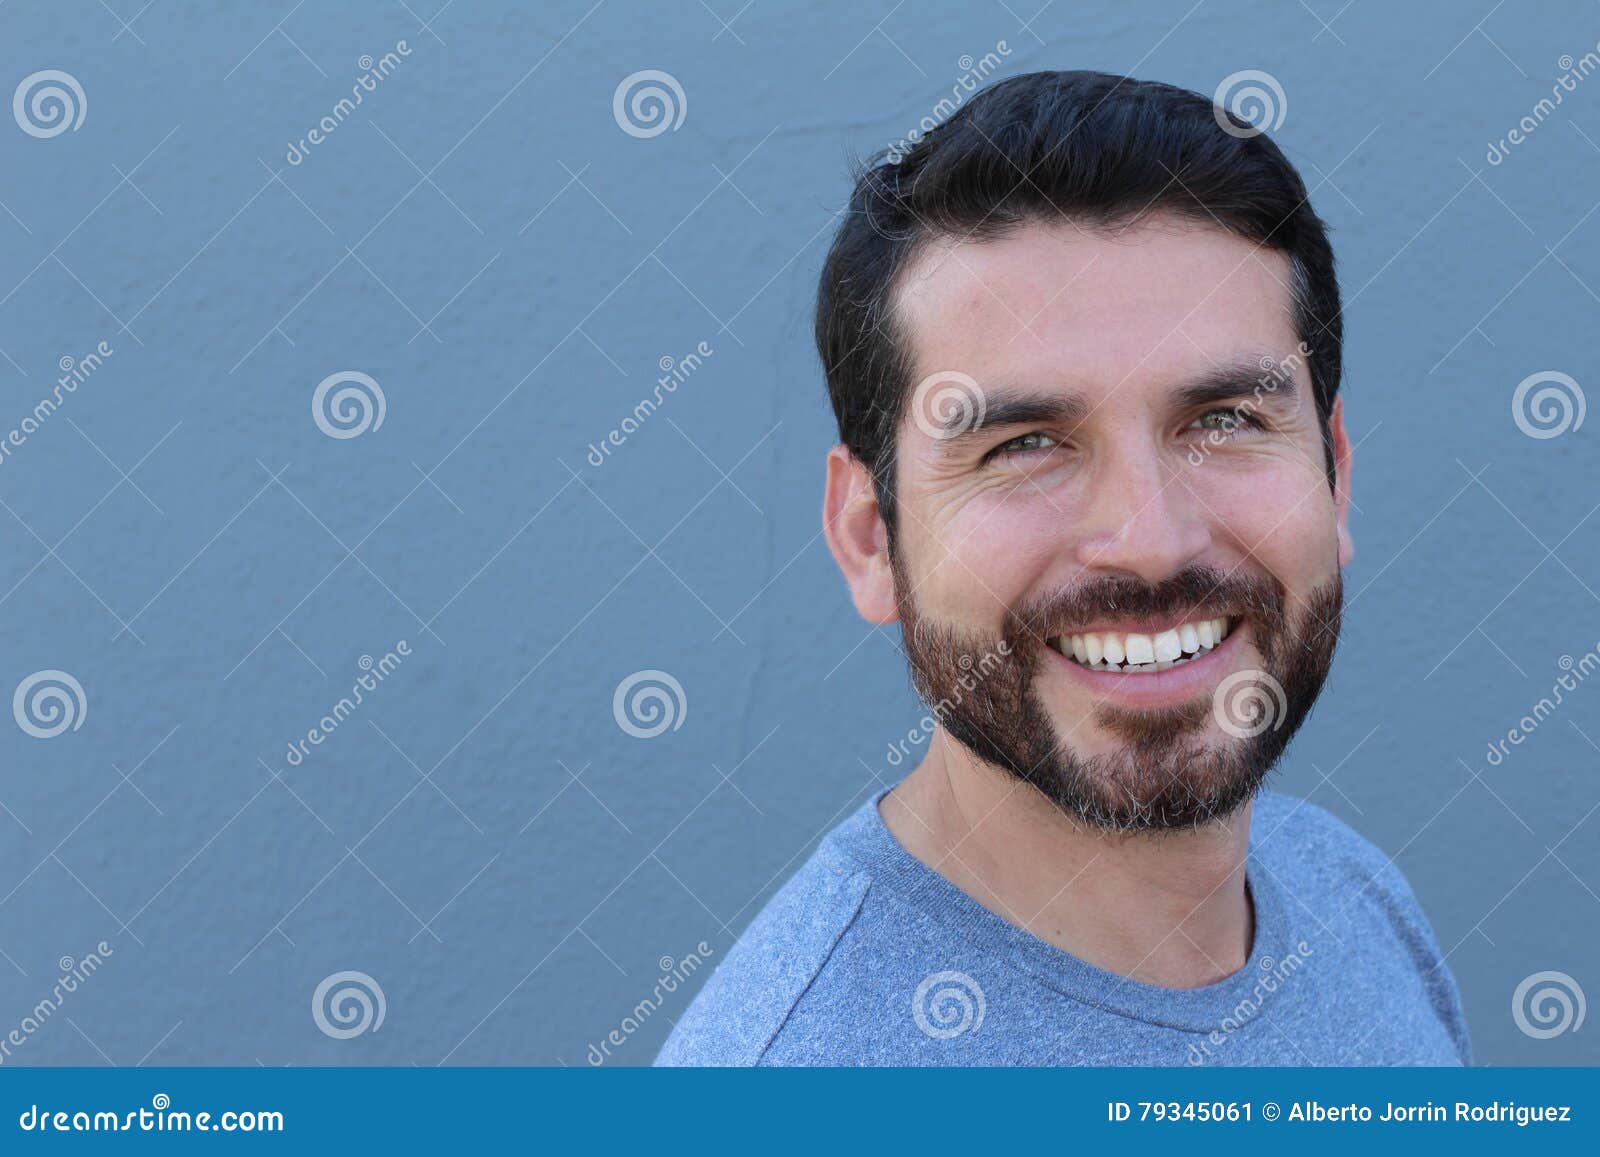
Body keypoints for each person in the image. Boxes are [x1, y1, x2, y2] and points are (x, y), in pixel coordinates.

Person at [656, 69, 1470, 1066]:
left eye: (1222, 421)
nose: (1152, 538)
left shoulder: (1350, 893)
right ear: (871, 535)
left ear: (1334, 475)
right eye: (1023, 444)